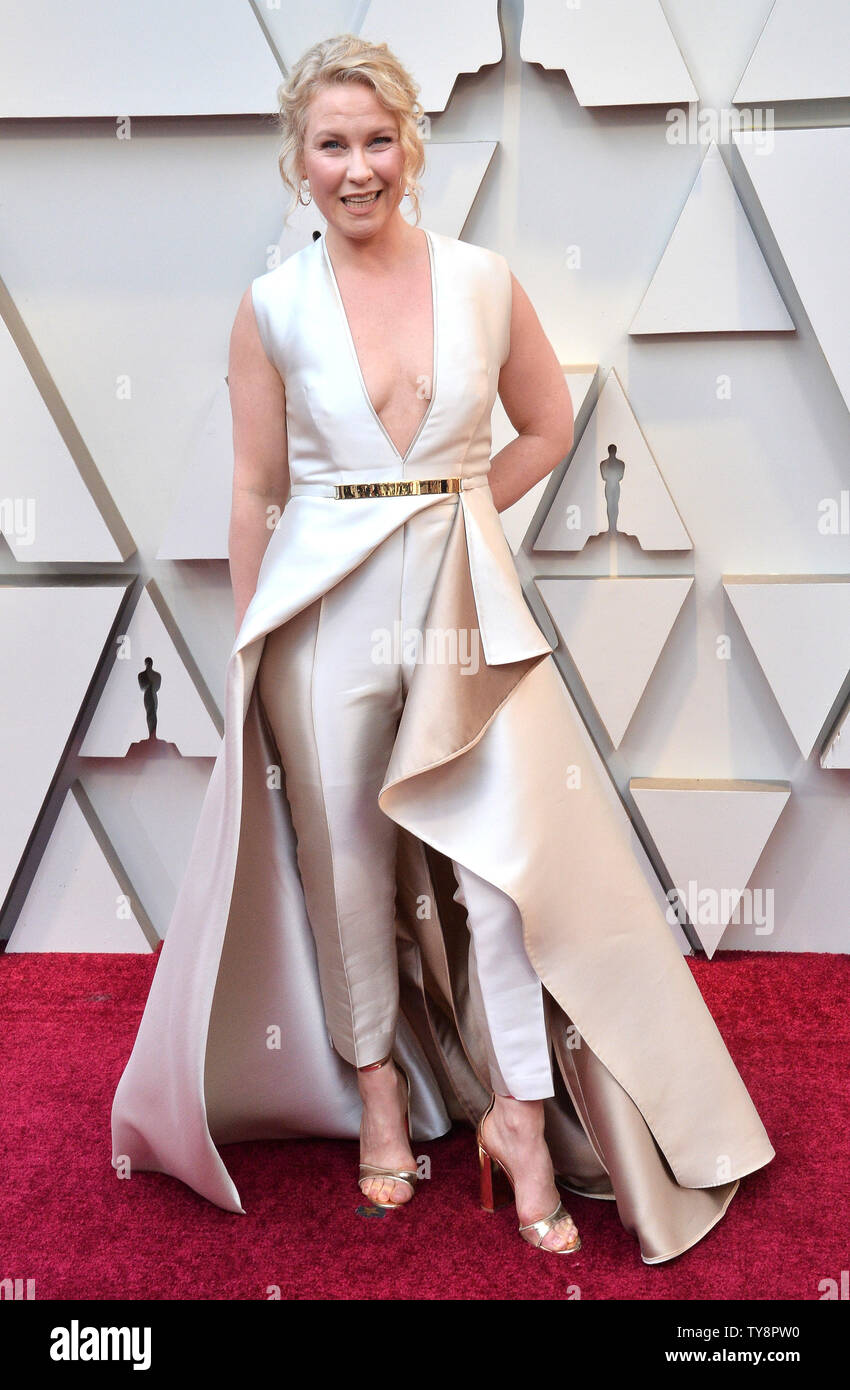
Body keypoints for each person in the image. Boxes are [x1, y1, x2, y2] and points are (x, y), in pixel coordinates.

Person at [111, 33, 775, 1265]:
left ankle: (518, 1114)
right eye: (331, 145)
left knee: (501, 869)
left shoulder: (481, 278)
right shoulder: (271, 309)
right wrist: (250, 649)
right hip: (317, 610)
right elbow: (254, 488)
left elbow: (544, 423)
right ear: (296, 162)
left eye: (376, 140)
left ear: (409, 145)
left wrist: (463, 511)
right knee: (345, 864)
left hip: (463, 606)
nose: (357, 167)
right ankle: (376, 1098)